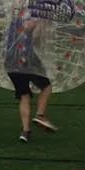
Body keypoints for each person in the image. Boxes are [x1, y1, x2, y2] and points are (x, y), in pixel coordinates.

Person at [5, 8, 57, 143]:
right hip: (26, 60)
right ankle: (40, 115)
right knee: (47, 86)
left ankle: (25, 131)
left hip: (10, 63)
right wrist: (41, 22)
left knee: (24, 95)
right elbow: (33, 34)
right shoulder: (31, 16)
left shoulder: (13, 19)